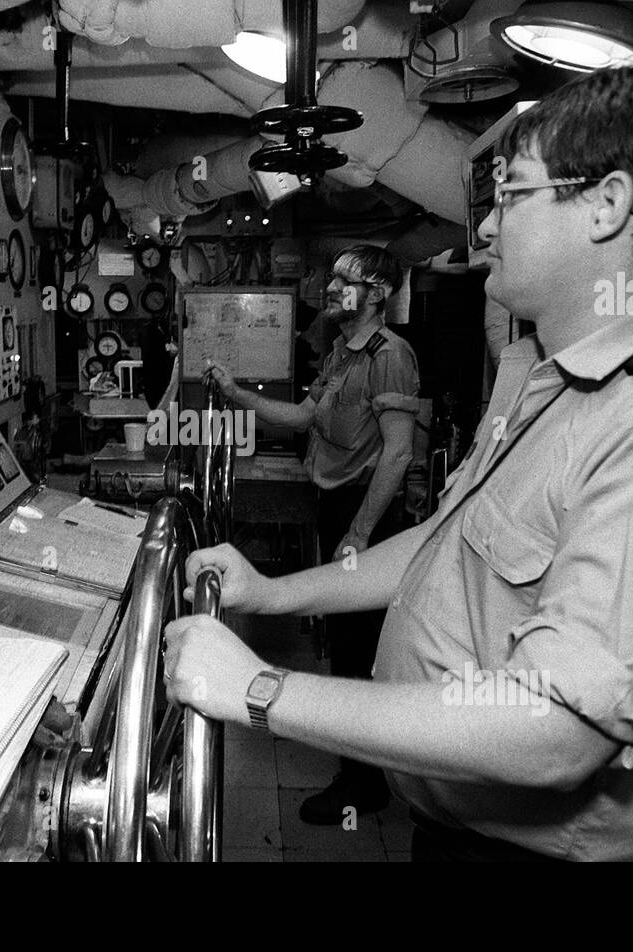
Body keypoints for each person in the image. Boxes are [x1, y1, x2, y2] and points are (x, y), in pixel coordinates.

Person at [165, 61, 633, 861]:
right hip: (457, 830)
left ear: (608, 207)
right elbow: (446, 545)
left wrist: (261, 691)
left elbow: (555, 730)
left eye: (514, 196)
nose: (488, 227)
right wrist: (274, 593)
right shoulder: (546, 381)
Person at [204, 245, 421, 823]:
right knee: (346, 646)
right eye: (332, 276)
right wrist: (234, 394)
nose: (330, 286)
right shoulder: (341, 354)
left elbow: (398, 454)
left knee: (356, 653)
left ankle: (364, 785)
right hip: (337, 505)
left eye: (345, 280)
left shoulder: (390, 355)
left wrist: (359, 532)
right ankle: (360, 772)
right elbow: (301, 417)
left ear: (375, 294)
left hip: (363, 512)